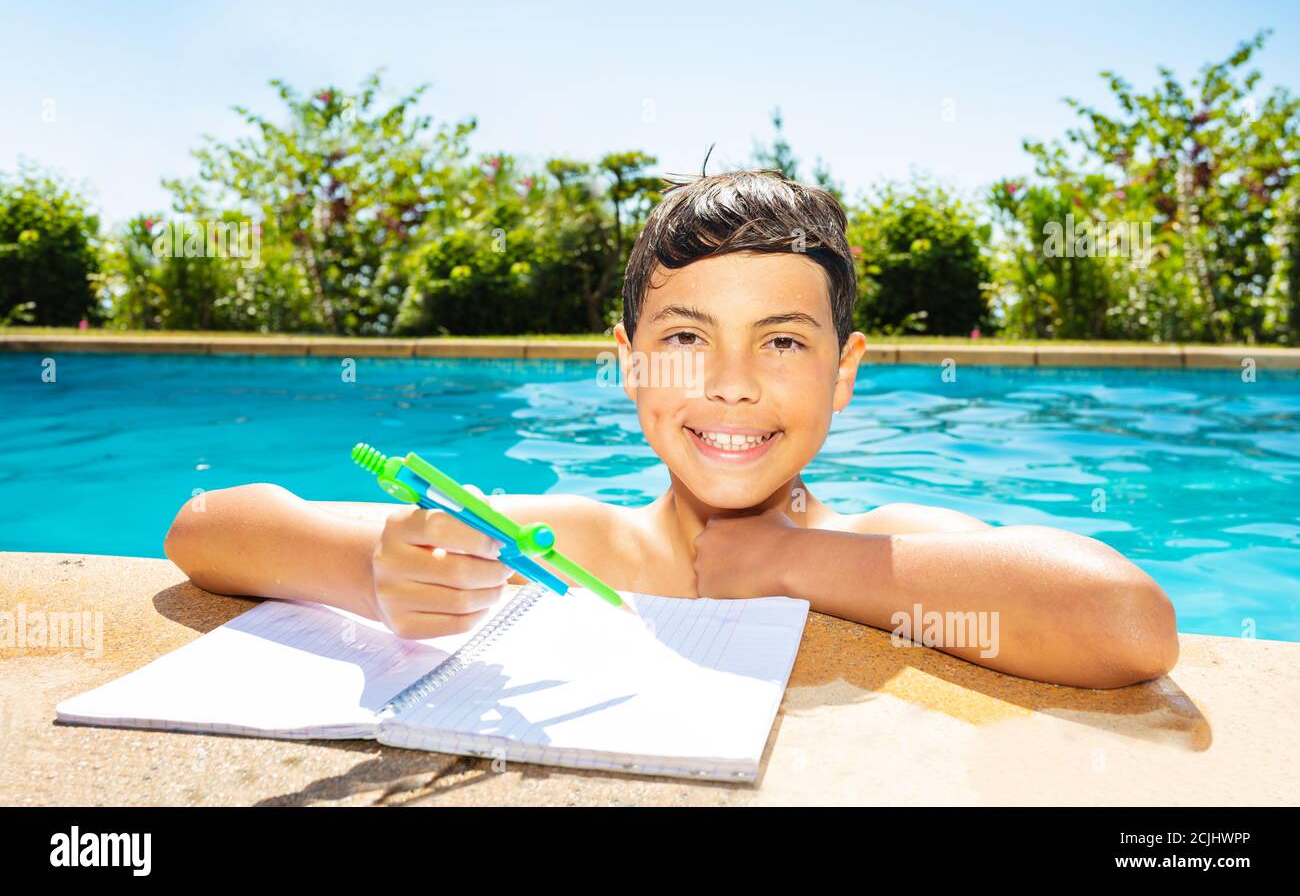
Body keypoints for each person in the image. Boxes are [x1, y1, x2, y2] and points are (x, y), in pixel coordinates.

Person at [165, 169, 1179, 689]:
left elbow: (1125, 622)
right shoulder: (571, 540)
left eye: (782, 343)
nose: (731, 386)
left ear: (845, 372)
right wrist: (374, 571)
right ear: (629, 360)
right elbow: (205, 524)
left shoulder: (883, 544)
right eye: (687, 337)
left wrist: (788, 560)